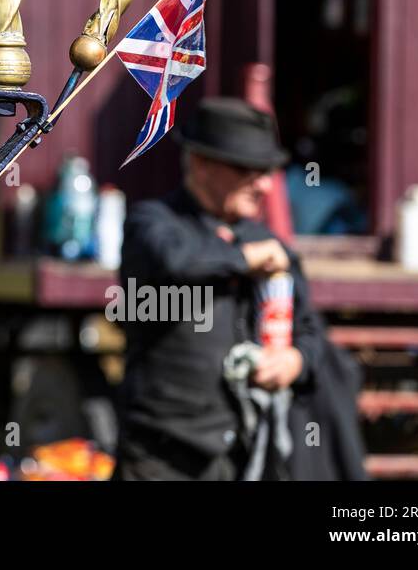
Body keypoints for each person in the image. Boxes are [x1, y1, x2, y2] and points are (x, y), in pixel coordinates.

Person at [114, 97, 322, 480]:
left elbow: (312, 333)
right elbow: (177, 262)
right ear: (200, 164)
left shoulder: (268, 242)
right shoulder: (153, 224)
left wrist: (296, 360)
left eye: (268, 171)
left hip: (246, 456)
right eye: (248, 169)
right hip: (162, 458)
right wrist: (244, 259)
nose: (263, 184)